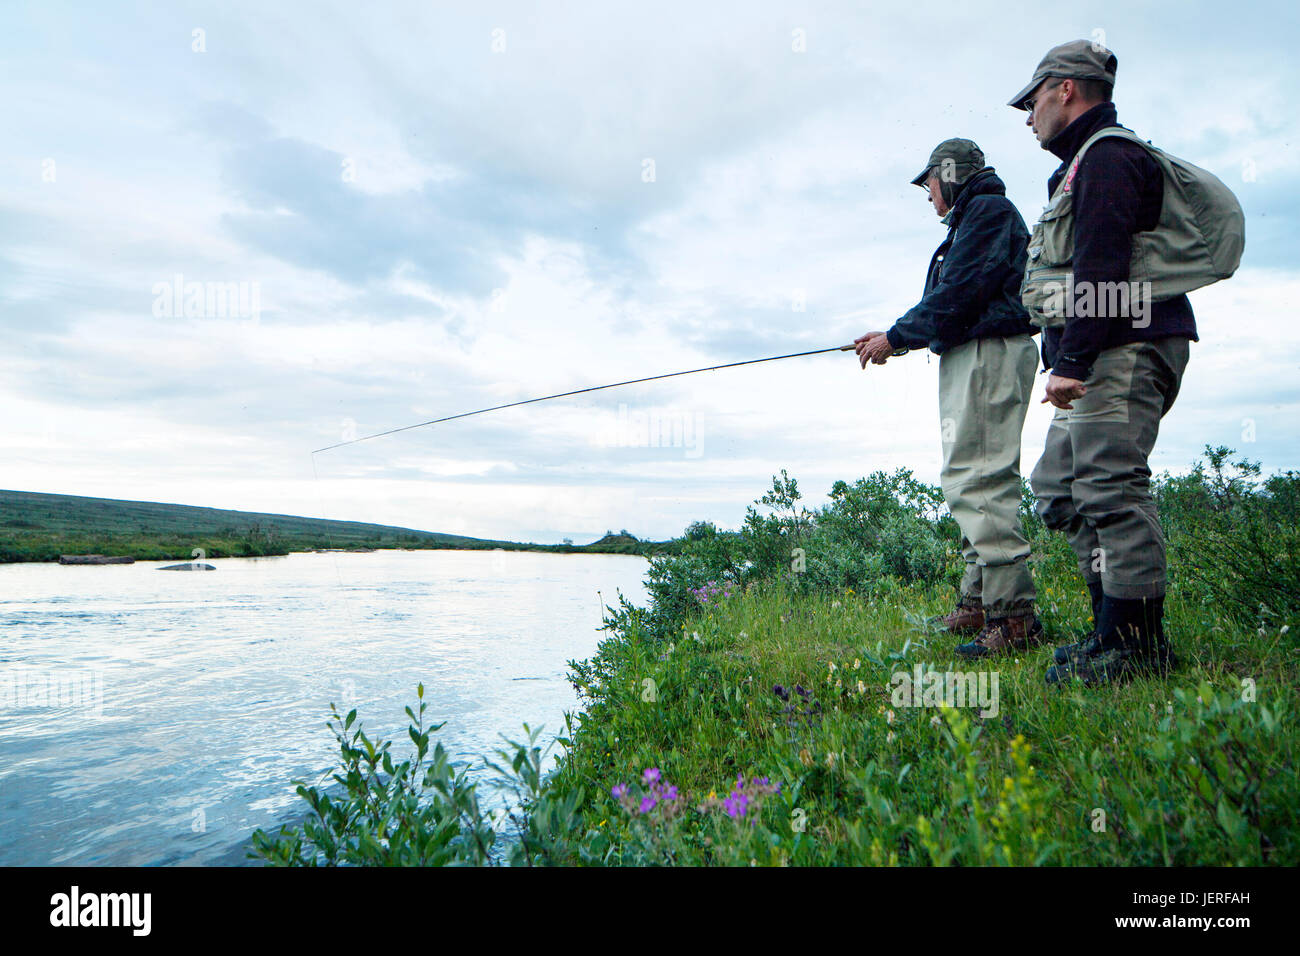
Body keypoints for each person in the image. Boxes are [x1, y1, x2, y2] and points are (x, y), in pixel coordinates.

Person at [1008, 40, 1197, 685]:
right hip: (1094, 356)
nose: (1027, 115)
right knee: (1059, 489)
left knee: (1110, 488)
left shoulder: (1110, 158)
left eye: (1031, 101)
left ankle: (1137, 648)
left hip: (1125, 350)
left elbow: (1102, 270)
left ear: (1065, 89)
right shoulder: (1078, 167)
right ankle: (1107, 630)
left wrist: (1074, 360)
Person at [856, 139, 1042, 659]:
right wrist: (895, 335)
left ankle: (1013, 616)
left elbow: (958, 293)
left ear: (949, 175)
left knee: (979, 476)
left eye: (929, 183)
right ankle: (979, 602)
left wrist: (896, 336)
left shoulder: (987, 212)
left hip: (989, 353)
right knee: (968, 472)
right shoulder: (980, 215)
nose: (927, 194)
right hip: (976, 353)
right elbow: (953, 299)